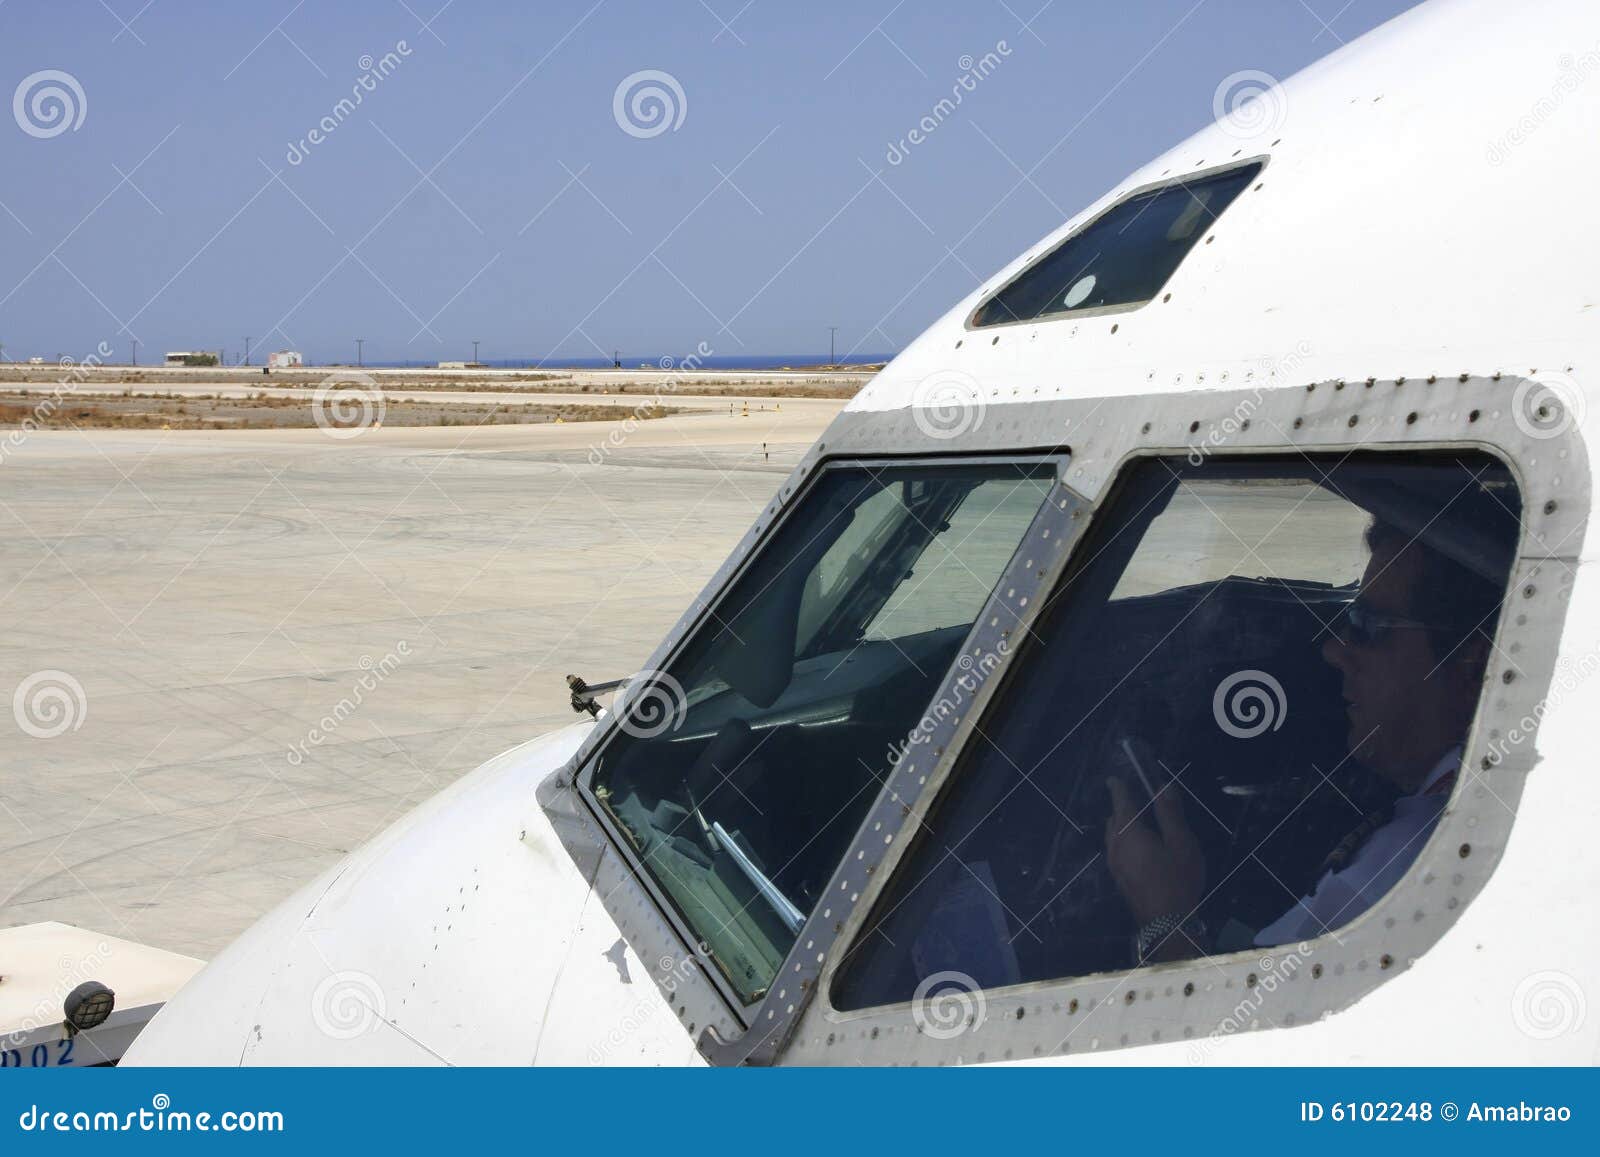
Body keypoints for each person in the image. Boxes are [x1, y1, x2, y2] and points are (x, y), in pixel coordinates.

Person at [1105, 513, 1513, 964]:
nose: (1334, 649)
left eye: (1369, 627)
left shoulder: (1415, 853)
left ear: (1473, 666)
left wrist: (1164, 912)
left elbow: (1250, 1024)